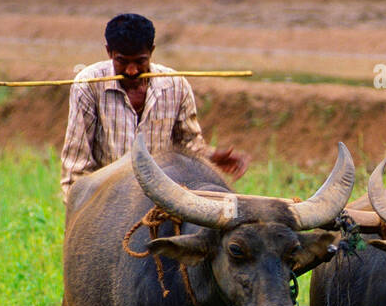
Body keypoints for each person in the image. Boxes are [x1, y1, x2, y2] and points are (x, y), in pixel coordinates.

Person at [59, 13, 249, 204]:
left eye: (140, 61)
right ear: (109, 52)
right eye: (122, 61)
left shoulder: (175, 85)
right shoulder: (88, 85)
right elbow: (77, 164)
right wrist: (81, 210)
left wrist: (211, 157)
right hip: (109, 199)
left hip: (161, 197)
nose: (131, 71)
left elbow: (188, 144)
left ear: (151, 51)